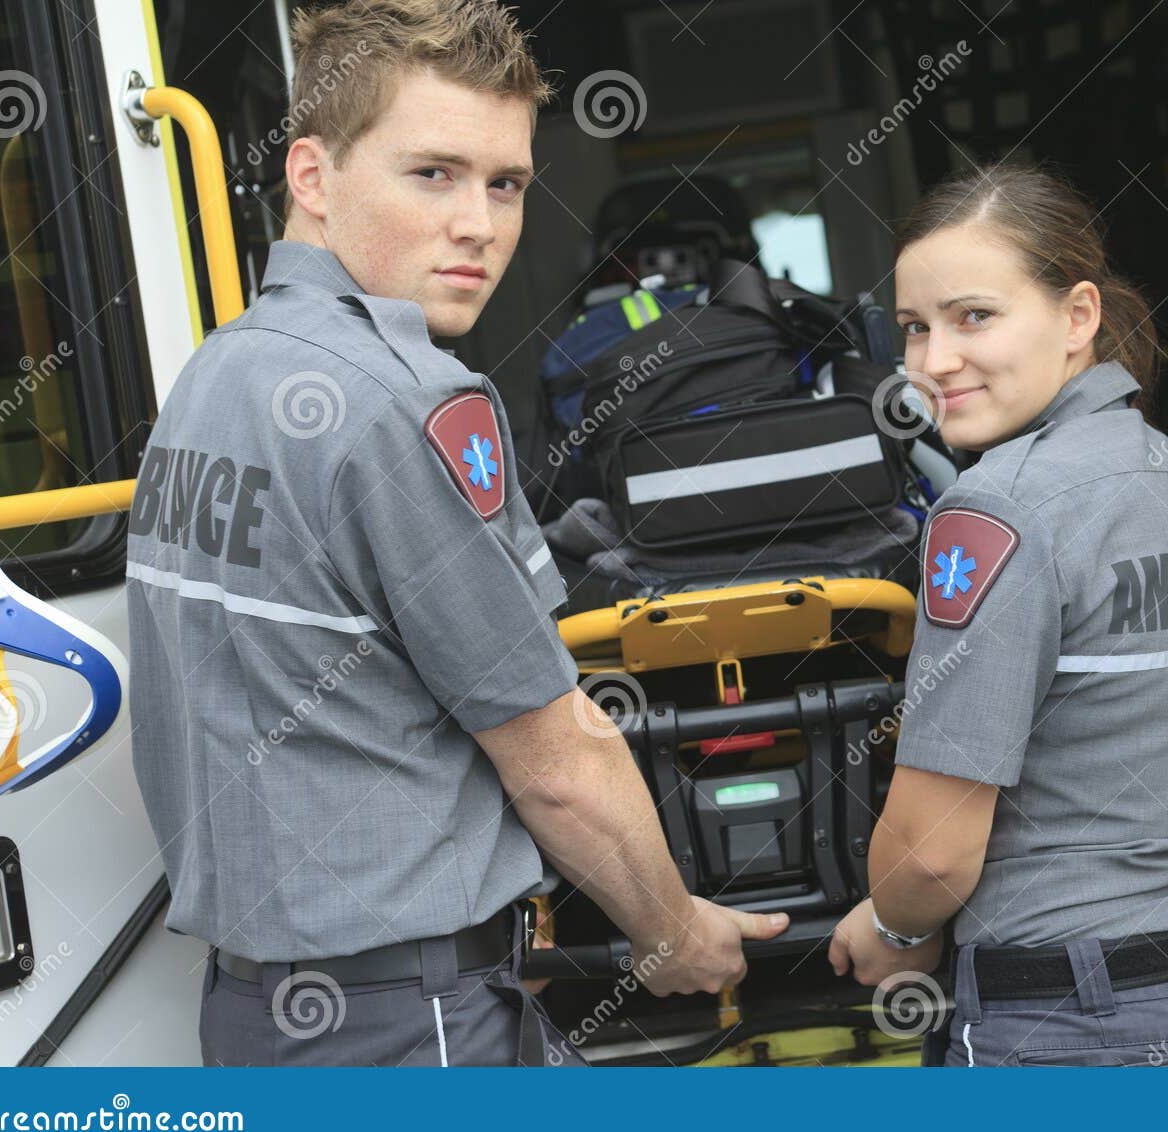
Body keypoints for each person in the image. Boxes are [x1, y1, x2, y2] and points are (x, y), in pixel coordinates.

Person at [126, 0, 785, 1068]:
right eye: (432, 174)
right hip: (410, 1021)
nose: (479, 222)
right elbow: (558, 759)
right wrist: (671, 931)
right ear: (310, 176)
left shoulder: (214, 375)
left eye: (506, 183)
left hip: (257, 1018)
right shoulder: (411, 404)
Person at [827, 163, 1168, 1067]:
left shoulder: (990, 514)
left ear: (1078, 317)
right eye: (914, 328)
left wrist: (895, 929)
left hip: (1075, 1028)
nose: (935, 361)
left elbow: (935, 857)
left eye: (974, 316)